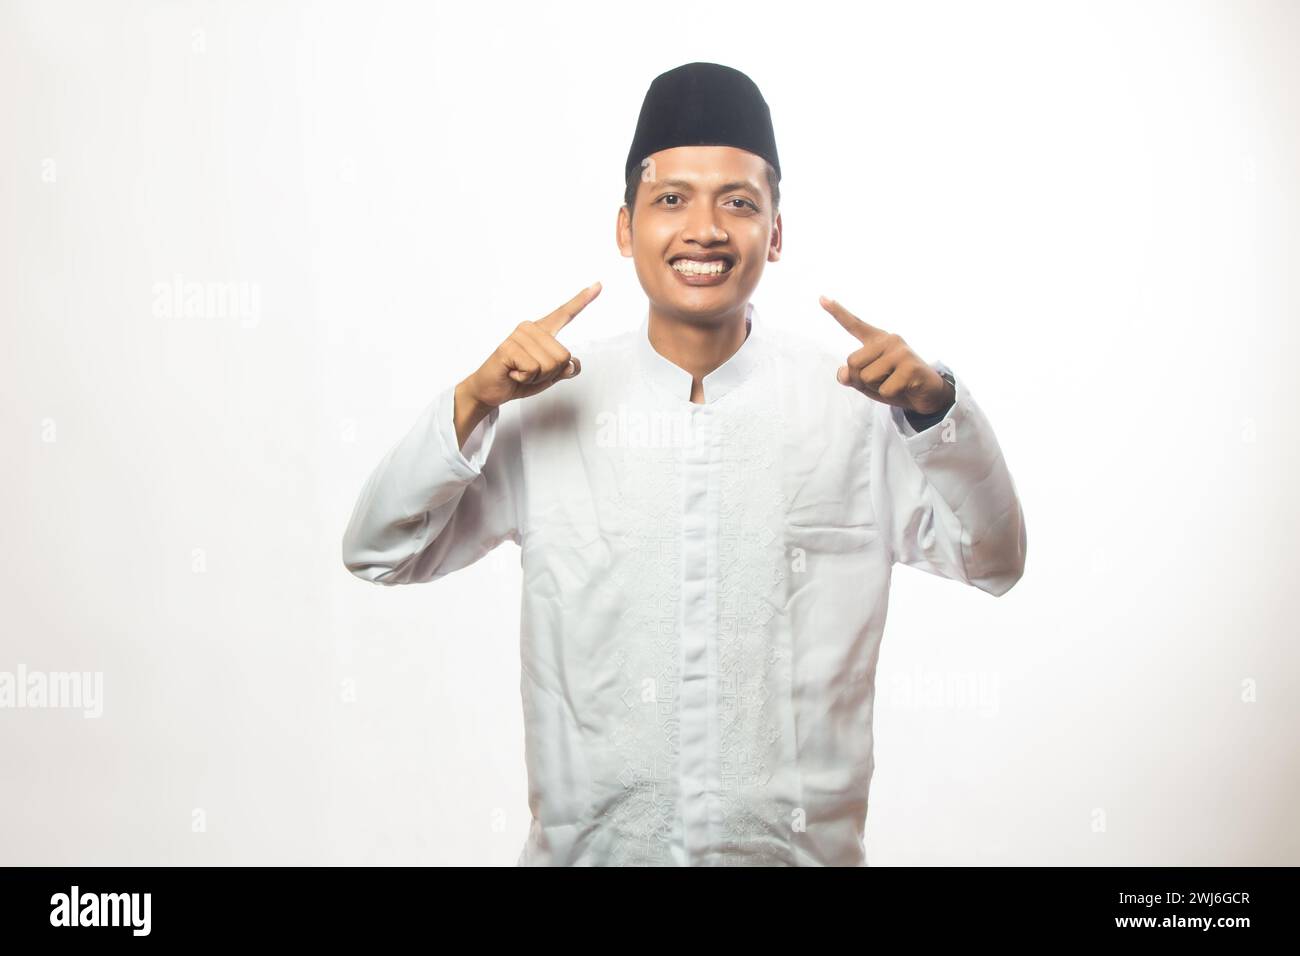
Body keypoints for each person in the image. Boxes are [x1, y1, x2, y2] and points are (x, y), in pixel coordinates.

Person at [341, 61, 1027, 866]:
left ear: (775, 234)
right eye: (671, 199)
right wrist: (474, 400)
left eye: (738, 202)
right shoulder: (546, 400)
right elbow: (378, 551)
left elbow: (995, 561)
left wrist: (935, 407)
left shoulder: (854, 406)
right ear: (627, 227)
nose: (705, 229)